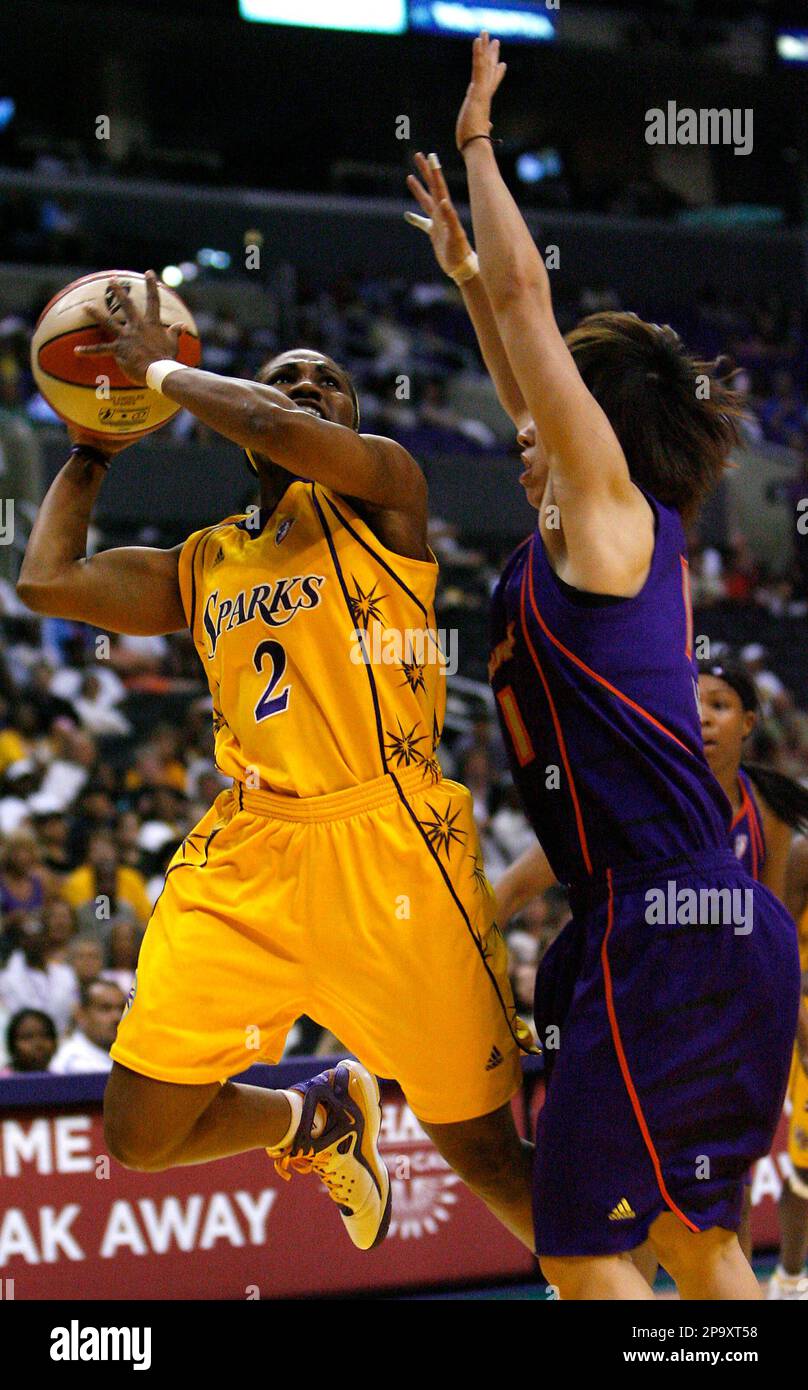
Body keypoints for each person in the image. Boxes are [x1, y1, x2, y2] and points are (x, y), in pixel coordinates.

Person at [17, 270, 535, 1253]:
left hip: (391, 842)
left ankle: (647, 1310)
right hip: (251, 850)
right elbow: (46, 579)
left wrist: (157, 369)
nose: (303, 387)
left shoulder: (387, 491)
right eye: (284, 374)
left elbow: (279, 430)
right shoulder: (205, 558)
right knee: (139, 1133)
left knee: (484, 1153)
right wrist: (93, 441)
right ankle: (314, 1117)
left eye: (324, 381)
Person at [405, 33, 801, 1298]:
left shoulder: (614, 521)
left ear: (601, 430)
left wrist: (476, 141)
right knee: (692, 1239)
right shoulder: (591, 532)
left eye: (556, 412)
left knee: (581, 1249)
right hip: (672, 924)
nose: (525, 426)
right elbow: (520, 354)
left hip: (669, 928)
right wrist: (466, 277)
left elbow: (533, 324)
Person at [50, 978, 126, 1074]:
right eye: (105, 1008)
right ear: (81, 1015)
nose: (117, 1017)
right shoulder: (72, 1063)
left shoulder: (129, 1053)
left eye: (122, 1008)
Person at [2, 1007, 58, 1074]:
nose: (38, 1044)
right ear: (12, 1044)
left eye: (45, 1035)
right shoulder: (4, 1080)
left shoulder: (60, 1081)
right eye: (28, 1037)